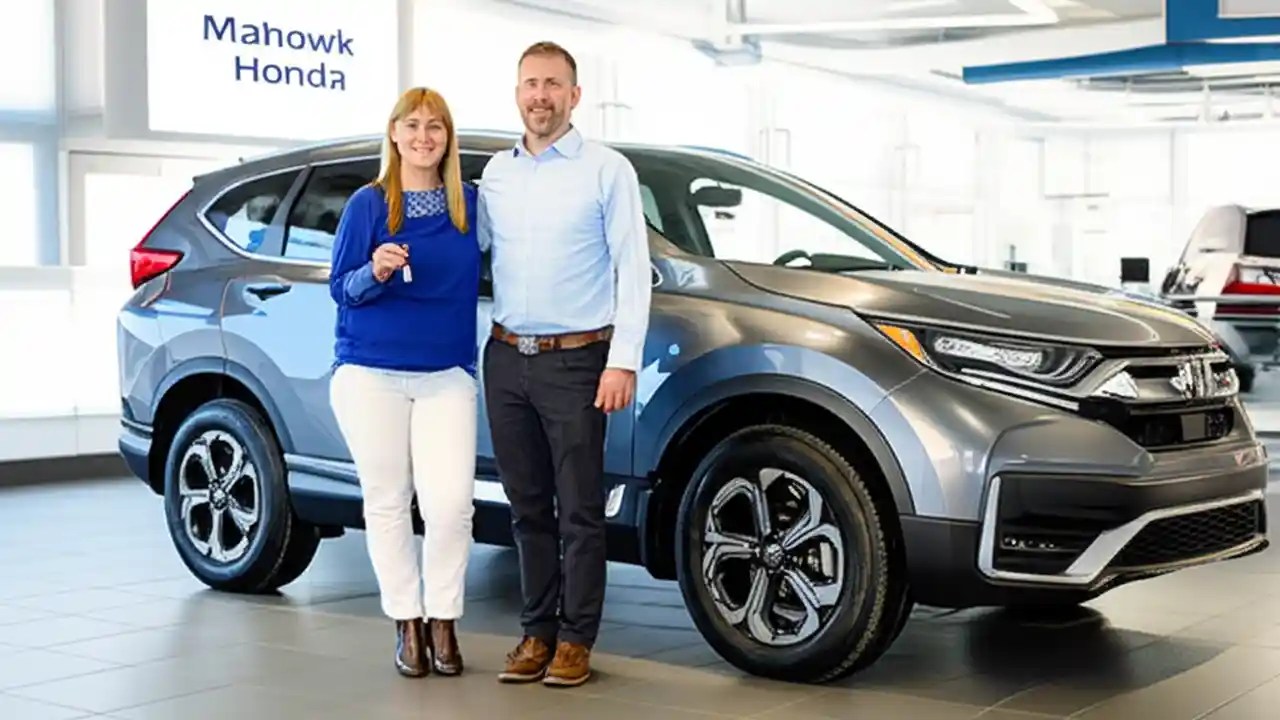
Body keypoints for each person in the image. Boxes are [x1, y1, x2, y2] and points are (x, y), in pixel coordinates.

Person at [477, 41, 652, 688]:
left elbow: (635, 270)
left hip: (578, 362)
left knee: (579, 509)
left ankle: (577, 638)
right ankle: (536, 631)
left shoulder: (608, 170)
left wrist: (623, 361)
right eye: (530, 84)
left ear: (575, 96)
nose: (540, 95)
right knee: (525, 508)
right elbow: (473, 253)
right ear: (517, 92)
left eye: (553, 84)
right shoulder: (496, 173)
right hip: (505, 358)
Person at [328, 86, 480, 679]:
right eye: (412, 125)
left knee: (450, 506)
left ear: (448, 137)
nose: (423, 136)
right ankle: (407, 624)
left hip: (445, 375)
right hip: (370, 372)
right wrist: (375, 271)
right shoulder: (368, 205)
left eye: (435, 126)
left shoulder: (468, 205)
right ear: (393, 133)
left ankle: (444, 617)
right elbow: (342, 287)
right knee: (388, 502)